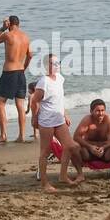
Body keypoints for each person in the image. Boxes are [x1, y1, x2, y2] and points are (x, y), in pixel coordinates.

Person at [31, 54, 79, 192]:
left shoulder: (60, 78)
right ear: (47, 65)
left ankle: (63, 176)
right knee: (45, 152)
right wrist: (34, 118)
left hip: (59, 119)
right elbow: (35, 101)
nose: (56, 65)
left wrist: (65, 114)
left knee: (70, 146)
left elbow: (59, 99)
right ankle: (44, 183)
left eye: (58, 62)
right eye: (53, 63)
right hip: (46, 121)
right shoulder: (43, 82)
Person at [0, 15, 31, 145]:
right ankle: (22, 136)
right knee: (20, 105)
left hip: (9, 73)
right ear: (19, 24)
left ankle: (3, 135)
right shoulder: (26, 37)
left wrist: (2, 28)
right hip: (20, 74)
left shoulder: (8, 35)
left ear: (9, 24)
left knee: (0, 103)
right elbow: (30, 55)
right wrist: (23, 68)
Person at [73, 98, 110, 181]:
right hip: (88, 152)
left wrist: (104, 147)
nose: (101, 113)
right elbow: (76, 137)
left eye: (102, 110)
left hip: (106, 152)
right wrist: (90, 147)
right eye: (97, 111)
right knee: (74, 146)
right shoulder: (87, 119)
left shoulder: (108, 119)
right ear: (91, 111)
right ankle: (80, 174)